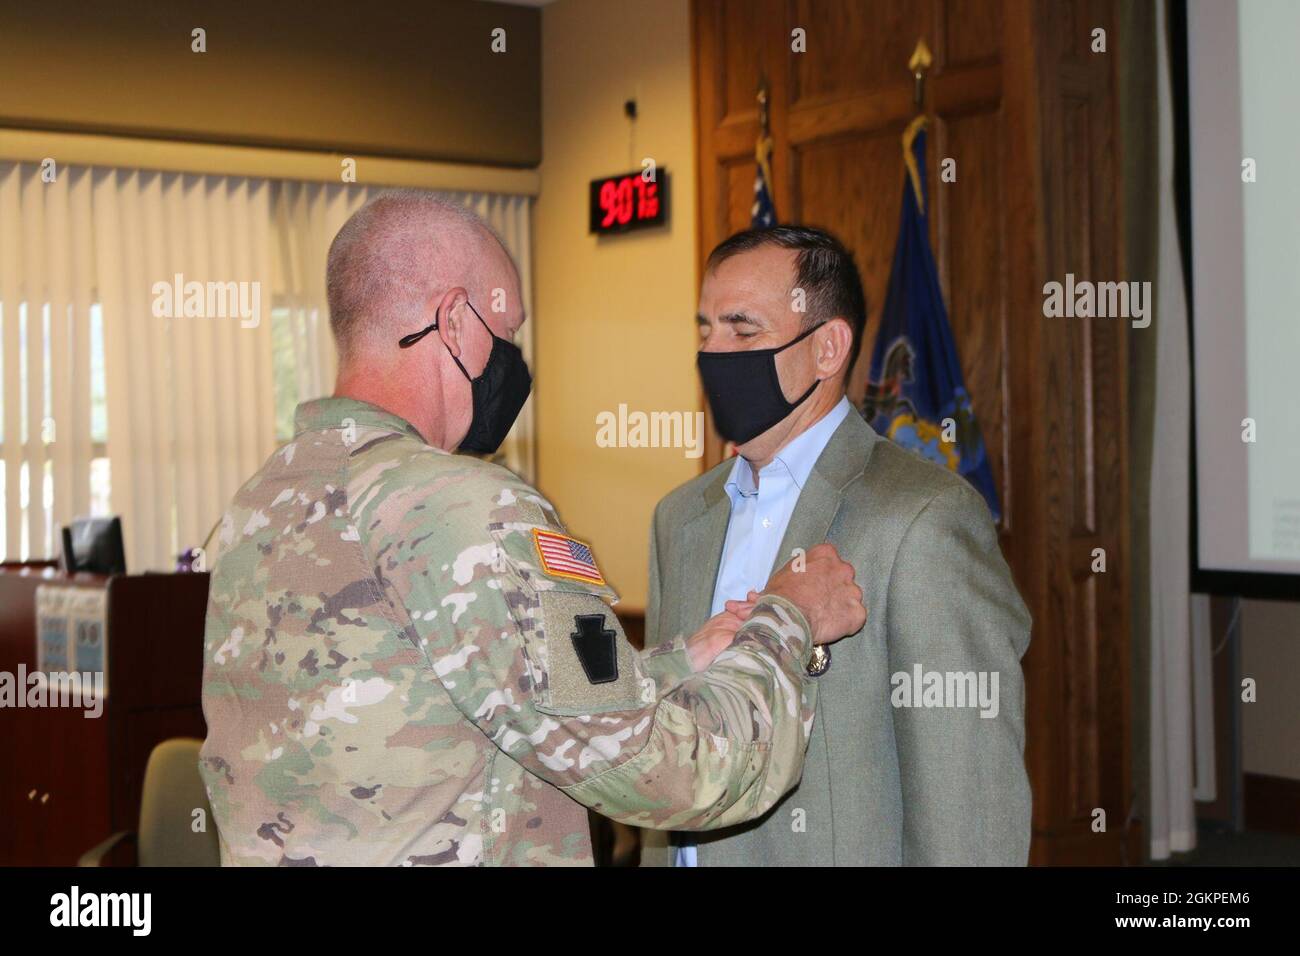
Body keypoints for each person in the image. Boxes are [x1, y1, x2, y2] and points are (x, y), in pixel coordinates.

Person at [197, 193, 866, 866]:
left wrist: (678, 659)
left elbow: (479, 687)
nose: (513, 363)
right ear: (455, 322)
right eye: (506, 331)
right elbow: (665, 770)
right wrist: (785, 620)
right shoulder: (467, 509)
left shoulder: (259, 505)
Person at [640, 225, 1032, 866]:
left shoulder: (922, 519)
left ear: (827, 348)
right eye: (705, 330)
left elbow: (969, 805)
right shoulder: (679, 518)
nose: (713, 354)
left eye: (742, 331)